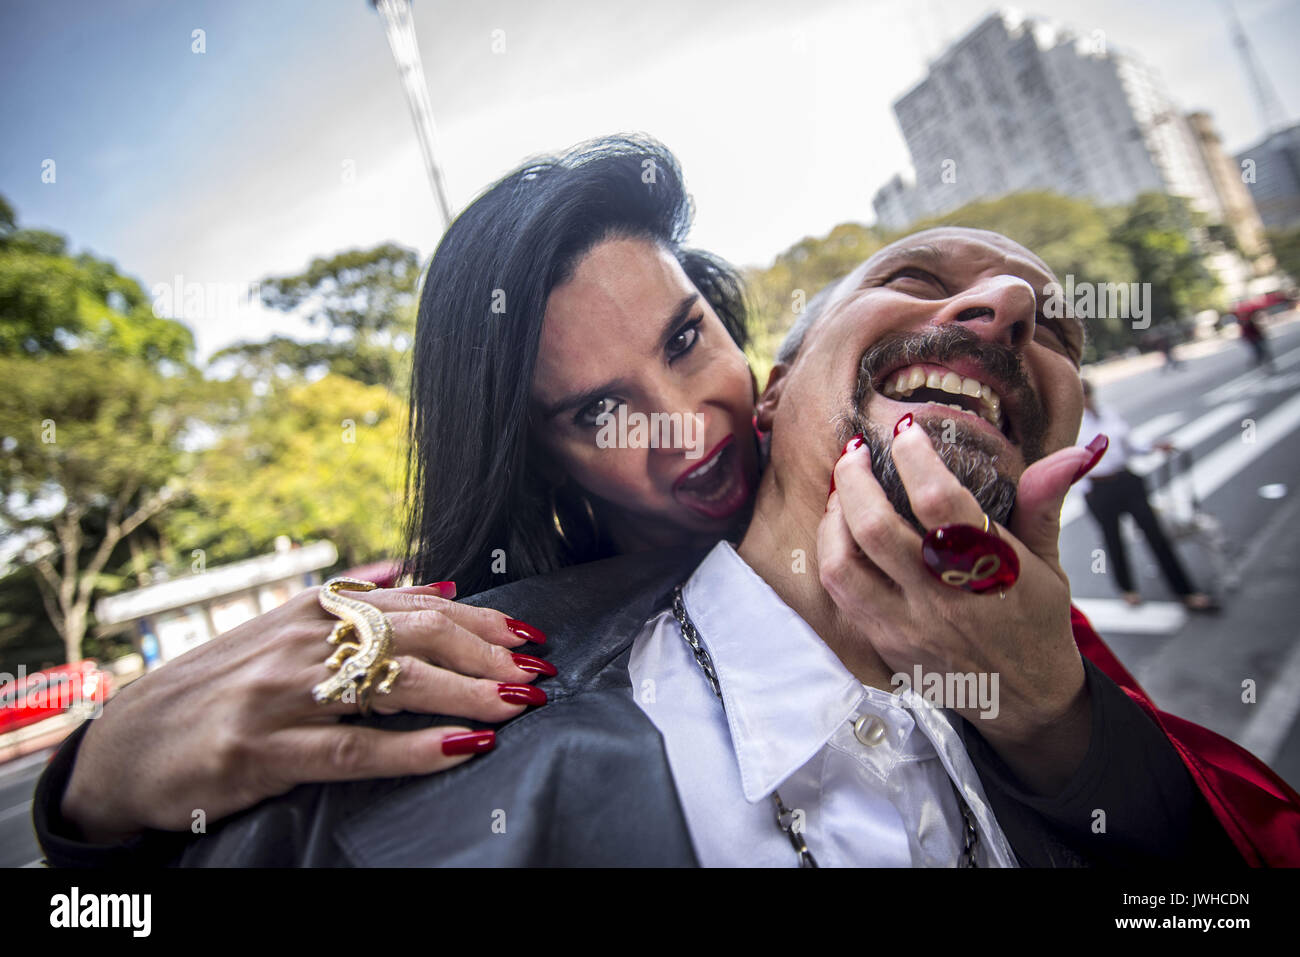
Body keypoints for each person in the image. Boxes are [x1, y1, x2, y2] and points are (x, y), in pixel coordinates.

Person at [35, 224, 1300, 866]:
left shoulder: (1063, 694)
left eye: (689, 337)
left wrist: (1057, 725)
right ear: (790, 384)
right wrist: (89, 798)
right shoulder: (431, 733)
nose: (1013, 306)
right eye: (919, 275)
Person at [1076, 378, 1218, 612]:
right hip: (1098, 490)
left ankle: (1186, 591)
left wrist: (1153, 447)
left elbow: (1129, 445)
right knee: (1113, 540)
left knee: (1156, 534)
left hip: (1126, 481)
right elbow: (1071, 463)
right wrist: (1087, 492)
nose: (1087, 399)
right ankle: (1127, 589)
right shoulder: (1073, 426)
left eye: (1088, 393)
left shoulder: (1109, 414)